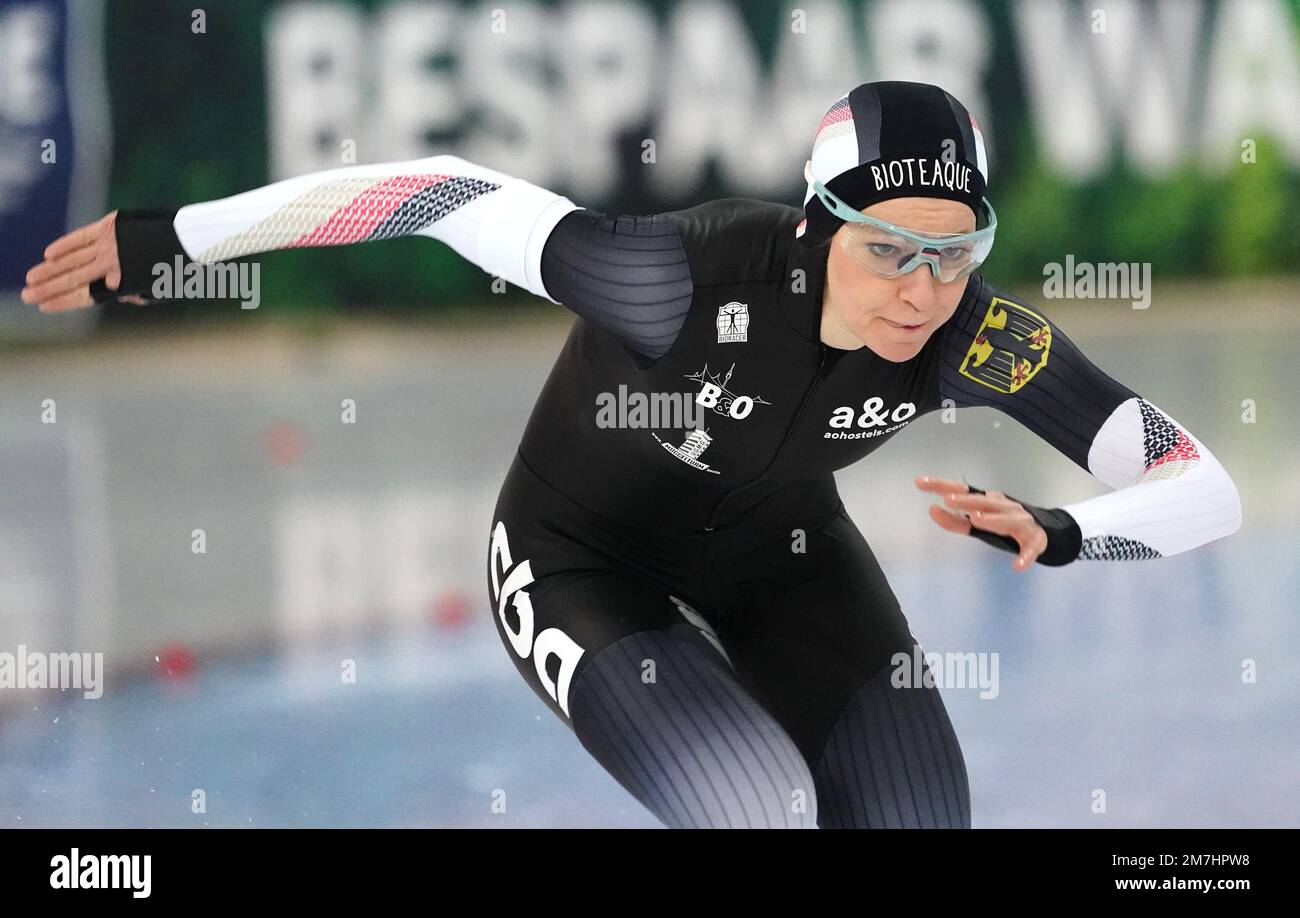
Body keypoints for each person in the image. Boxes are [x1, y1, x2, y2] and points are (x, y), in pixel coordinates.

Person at [21, 80, 1242, 829]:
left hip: (778, 555)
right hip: (581, 562)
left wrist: (1070, 531)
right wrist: (174, 233)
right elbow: (438, 196)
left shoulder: (981, 334)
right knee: (764, 812)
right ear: (818, 232)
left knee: (922, 818)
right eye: (887, 251)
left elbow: (1203, 485)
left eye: (955, 253)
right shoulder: (675, 279)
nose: (923, 293)